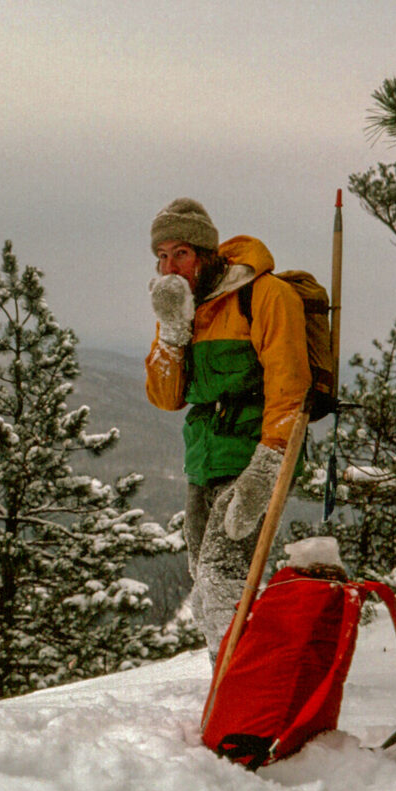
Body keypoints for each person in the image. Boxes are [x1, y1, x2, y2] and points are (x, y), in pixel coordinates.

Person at [144, 197, 311, 648]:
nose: (169, 266)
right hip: (203, 459)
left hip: (254, 456)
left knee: (223, 578)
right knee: (205, 582)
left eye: (180, 253)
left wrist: (266, 467)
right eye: (161, 256)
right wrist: (173, 336)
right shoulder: (183, 311)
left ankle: (244, 691)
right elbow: (166, 398)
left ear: (205, 253)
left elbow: (290, 386)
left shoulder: (264, 295)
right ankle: (233, 683)